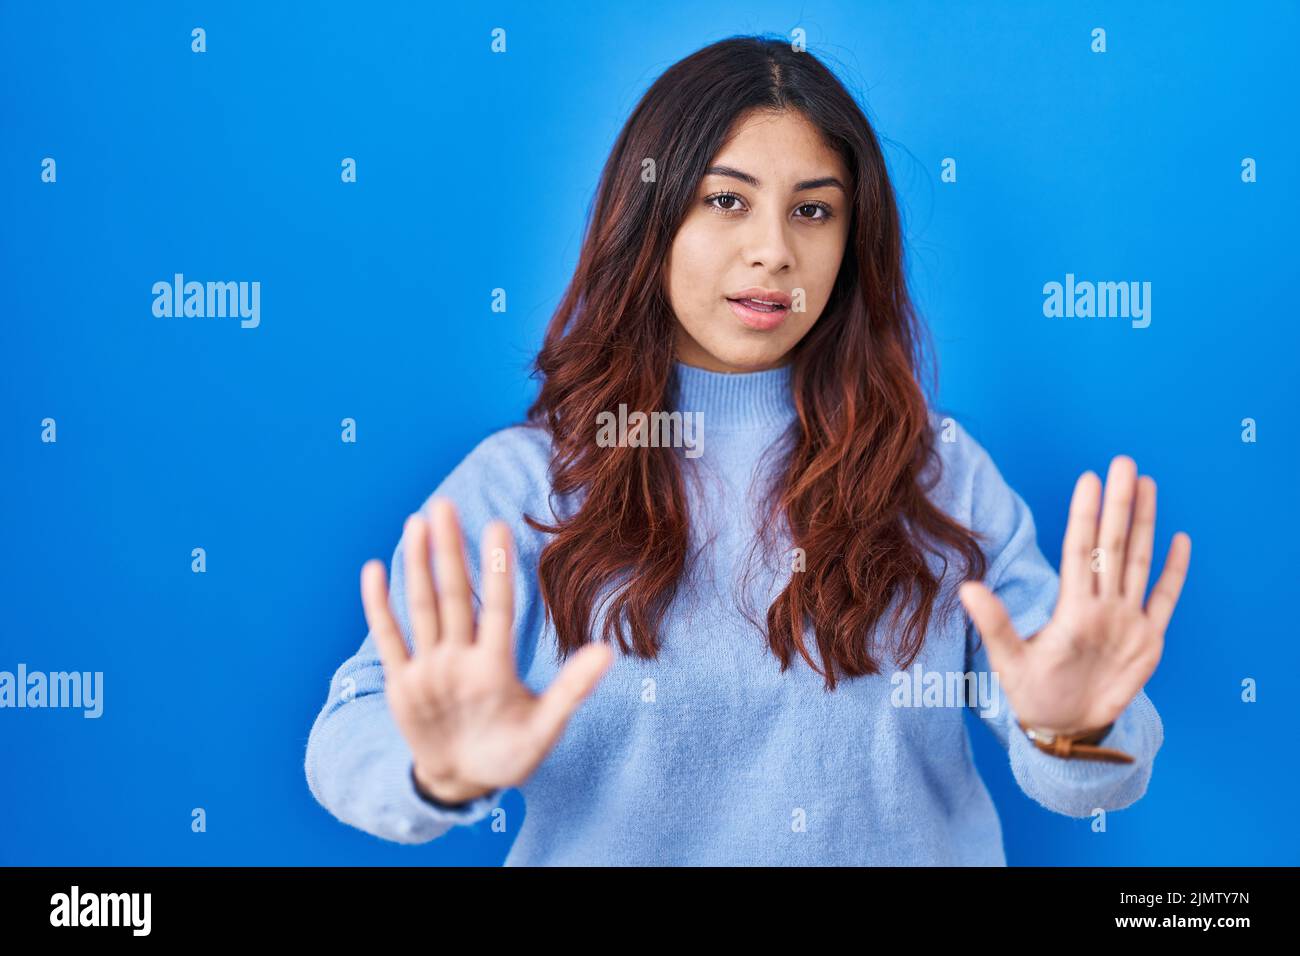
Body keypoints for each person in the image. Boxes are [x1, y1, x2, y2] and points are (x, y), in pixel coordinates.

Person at [304, 35, 1190, 865]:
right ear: (649, 218)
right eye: (726, 201)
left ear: (852, 243)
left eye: (813, 211)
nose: (774, 251)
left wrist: (1074, 730)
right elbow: (353, 729)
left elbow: (1086, 766)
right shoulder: (524, 485)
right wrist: (435, 770)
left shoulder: (940, 473)